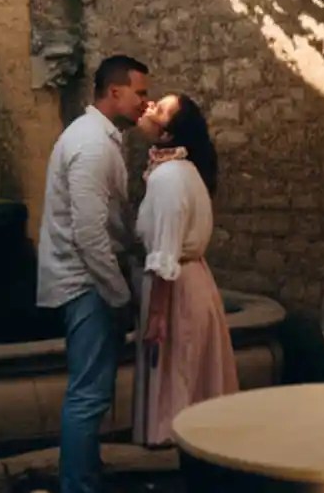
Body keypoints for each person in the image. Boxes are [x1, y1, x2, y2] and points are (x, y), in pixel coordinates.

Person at [36, 54, 150, 493]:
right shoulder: (91, 144)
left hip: (87, 281)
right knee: (87, 396)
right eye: (140, 92)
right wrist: (119, 295)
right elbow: (89, 234)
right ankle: (78, 486)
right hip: (86, 284)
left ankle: (83, 477)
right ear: (115, 91)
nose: (145, 101)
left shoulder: (99, 138)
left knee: (91, 393)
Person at [131, 93, 240, 448]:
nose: (148, 107)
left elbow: (165, 253)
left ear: (166, 135)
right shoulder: (180, 171)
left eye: (159, 109)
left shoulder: (170, 178)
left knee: (177, 384)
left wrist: (158, 314)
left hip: (177, 291)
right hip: (192, 281)